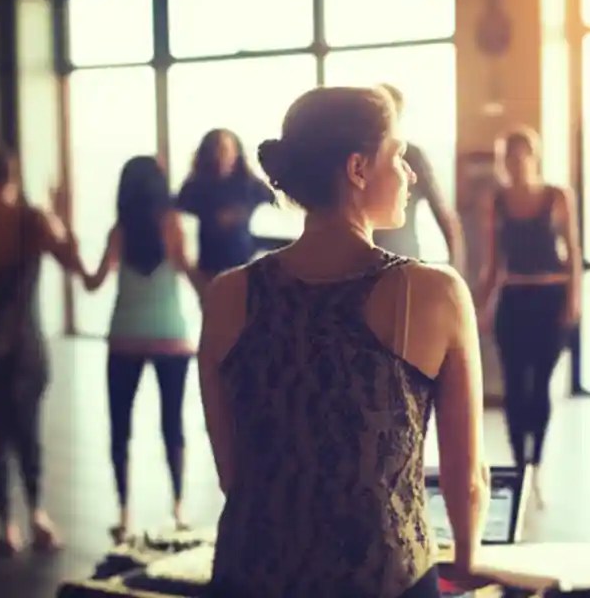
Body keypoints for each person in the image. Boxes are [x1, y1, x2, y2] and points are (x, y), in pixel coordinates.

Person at [199, 87, 490, 598]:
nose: (410, 174)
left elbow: (234, 473)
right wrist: (465, 562)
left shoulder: (228, 296)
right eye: (399, 156)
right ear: (358, 169)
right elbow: (467, 480)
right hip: (383, 578)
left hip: (252, 572)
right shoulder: (434, 294)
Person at [0, 147, 85, 556]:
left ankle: (6, 526)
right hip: (25, 340)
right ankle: (39, 516)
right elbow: (73, 263)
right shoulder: (33, 219)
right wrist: (62, 213)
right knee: (28, 431)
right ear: (12, 177)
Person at [81, 156, 202, 542]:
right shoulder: (173, 227)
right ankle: (180, 508)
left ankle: (123, 512)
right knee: (173, 424)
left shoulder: (120, 231)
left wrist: (68, 241)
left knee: (120, 425)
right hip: (171, 335)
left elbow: (93, 282)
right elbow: (190, 274)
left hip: (125, 336)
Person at [476, 127, 581, 504]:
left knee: (540, 388)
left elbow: (573, 252)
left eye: (522, 157)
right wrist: (481, 306)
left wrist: (573, 301)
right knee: (513, 388)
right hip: (514, 298)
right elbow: (491, 262)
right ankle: (520, 464)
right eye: (509, 158)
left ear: (534, 158)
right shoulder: (497, 200)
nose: (516, 165)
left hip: (551, 297)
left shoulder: (557, 196)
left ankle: (537, 462)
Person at [371, 84, 466, 270]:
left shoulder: (412, 156)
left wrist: (456, 269)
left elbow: (444, 215)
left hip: (402, 260)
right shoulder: (357, 157)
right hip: (365, 262)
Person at [175, 129, 274, 281]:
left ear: (236, 152)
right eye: (214, 150)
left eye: (224, 149)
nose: (219, 156)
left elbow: (274, 210)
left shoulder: (251, 186)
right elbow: (179, 219)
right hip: (209, 270)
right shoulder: (194, 188)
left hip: (245, 267)